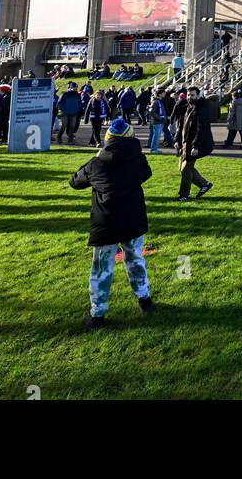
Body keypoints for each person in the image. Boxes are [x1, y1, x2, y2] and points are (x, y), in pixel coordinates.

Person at [70, 119, 154, 330]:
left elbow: (75, 181)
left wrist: (97, 156)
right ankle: (144, 300)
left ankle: (98, 313)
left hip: (106, 221)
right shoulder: (137, 161)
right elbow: (146, 173)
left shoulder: (97, 163)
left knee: (101, 267)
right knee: (135, 259)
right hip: (132, 218)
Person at [174, 87, 214, 202]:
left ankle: (184, 195)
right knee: (183, 168)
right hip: (185, 142)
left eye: (192, 95)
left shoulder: (202, 108)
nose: (189, 97)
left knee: (186, 169)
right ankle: (204, 184)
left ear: (198, 96)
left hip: (196, 143)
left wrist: (196, 146)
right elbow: (181, 125)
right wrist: (177, 140)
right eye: (188, 95)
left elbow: (201, 129)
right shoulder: (186, 106)